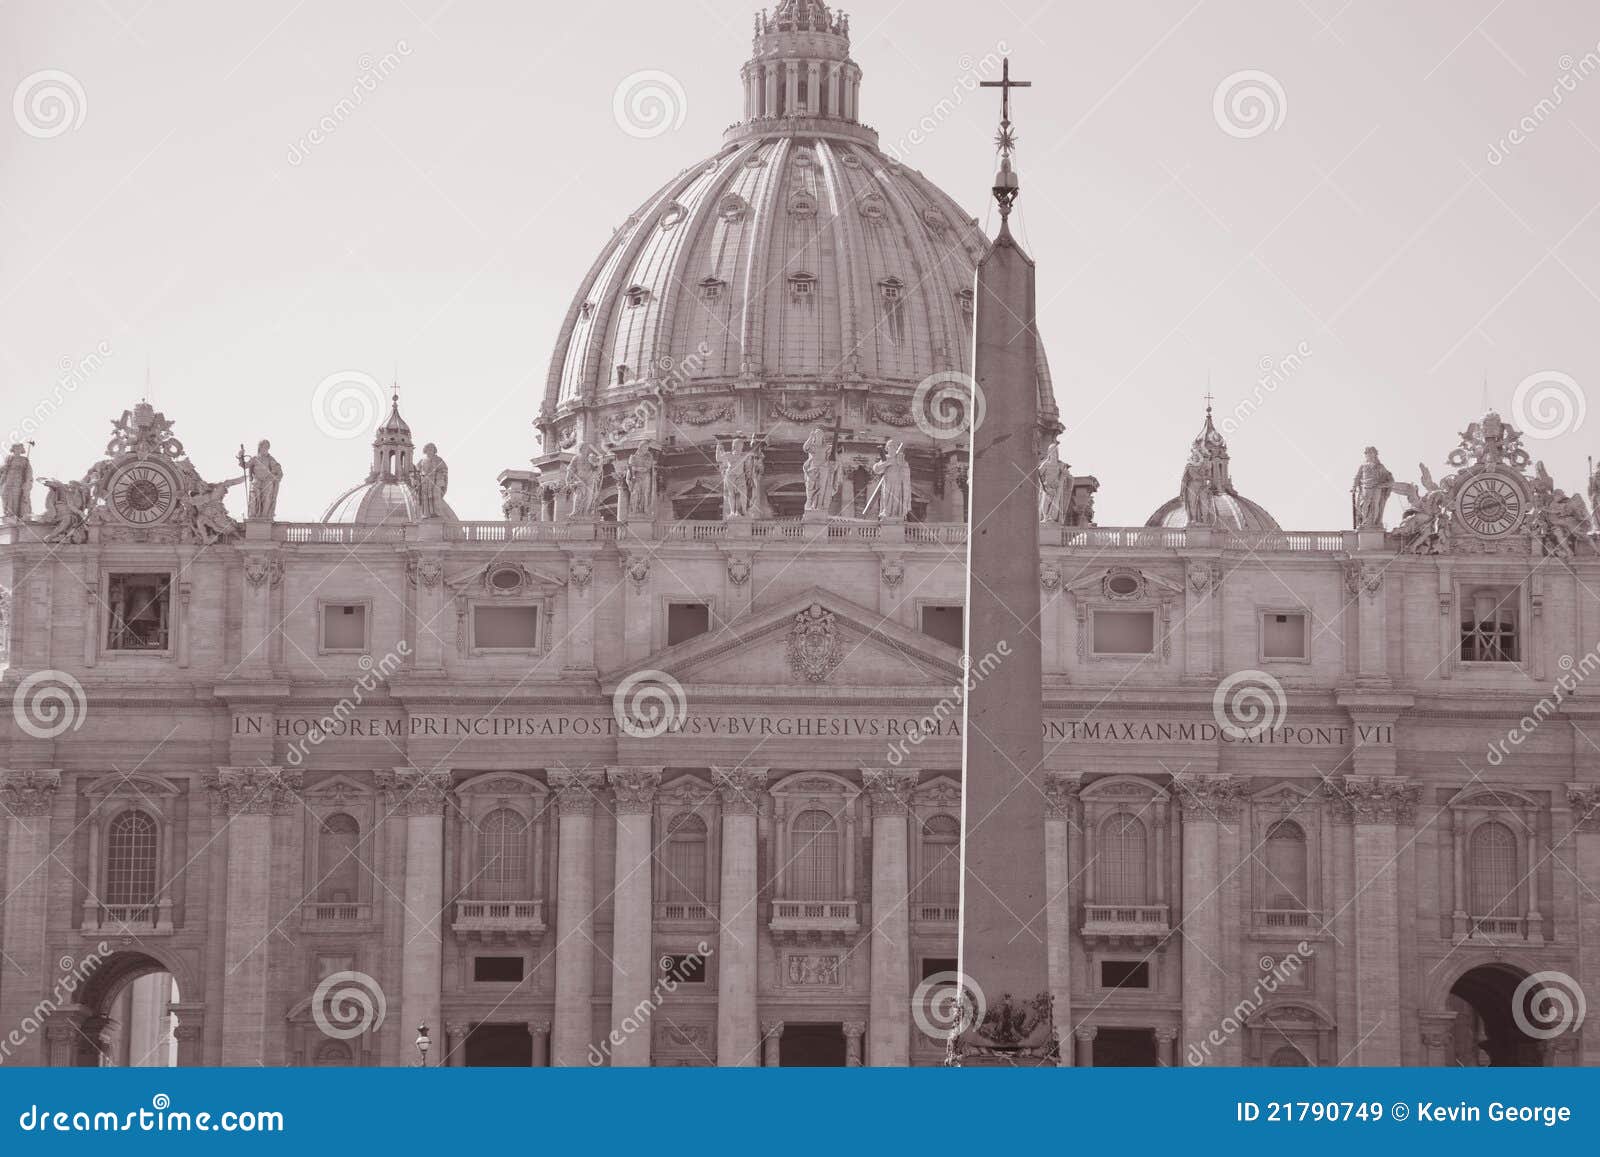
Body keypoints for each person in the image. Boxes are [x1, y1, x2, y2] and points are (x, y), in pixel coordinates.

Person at [237, 439, 283, 520]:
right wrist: (240, 457)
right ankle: (253, 516)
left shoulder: (270, 459)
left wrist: (274, 477)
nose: (265, 449)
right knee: (253, 499)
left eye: (267, 447)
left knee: (266, 498)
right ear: (260, 447)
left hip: (267, 482)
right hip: (256, 481)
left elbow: (278, 472)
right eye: (263, 447)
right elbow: (245, 465)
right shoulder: (255, 458)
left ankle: (264, 517)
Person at [0, 443, 33, 521]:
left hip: (18, 482)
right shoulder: (9, 458)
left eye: (19, 448)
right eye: (16, 448)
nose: (17, 450)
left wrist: (27, 482)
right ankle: (8, 514)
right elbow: (3, 469)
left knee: (16, 498)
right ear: (13, 449)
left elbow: (29, 472)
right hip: (8, 480)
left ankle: (14, 516)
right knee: (5, 496)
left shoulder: (24, 460)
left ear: (22, 450)